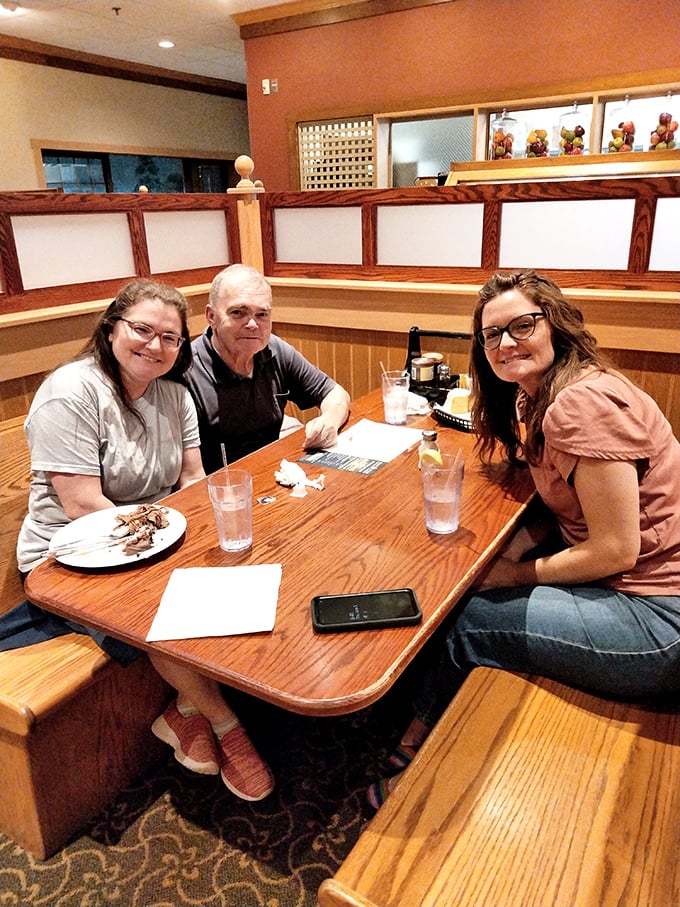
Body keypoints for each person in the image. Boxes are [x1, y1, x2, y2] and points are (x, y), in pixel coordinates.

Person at [368, 269, 680, 808]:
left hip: (659, 616)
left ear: (554, 325)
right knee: (471, 585)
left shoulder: (579, 405)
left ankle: (415, 760)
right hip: (633, 590)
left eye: (522, 325)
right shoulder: (534, 397)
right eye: (492, 335)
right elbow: (572, 504)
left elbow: (615, 549)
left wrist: (510, 573)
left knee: (469, 622)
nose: (506, 343)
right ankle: (428, 715)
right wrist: (512, 548)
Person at [13, 279, 274, 802]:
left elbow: (193, 480)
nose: (155, 347)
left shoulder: (174, 396)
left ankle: (185, 711)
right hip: (69, 557)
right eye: (142, 331)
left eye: (170, 339)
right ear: (112, 328)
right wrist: (168, 553)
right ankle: (228, 727)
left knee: (251, 570)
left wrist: (206, 537)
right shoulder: (72, 391)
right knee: (170, 609)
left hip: (156, 541)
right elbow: (83, 506)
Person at [187, 264, 350, 474]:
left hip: (271, 475)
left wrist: (329, 420)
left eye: (262, 314)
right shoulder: (188, 370)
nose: (253, 324)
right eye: (238, 312)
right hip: (220, 491)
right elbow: (188, 476)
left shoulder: (274, 349)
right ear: (212, 316)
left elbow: (335, 393)